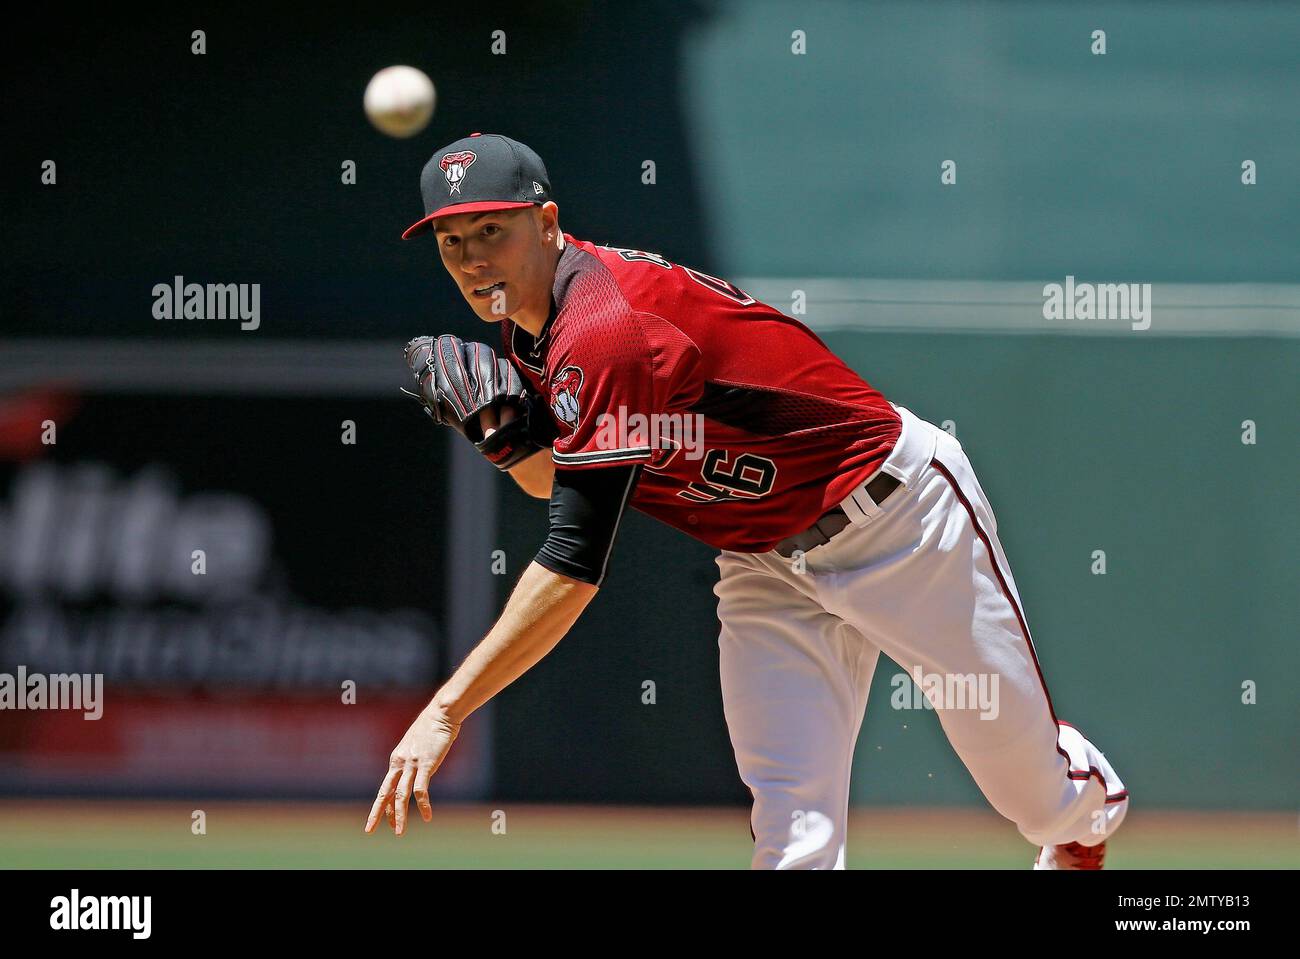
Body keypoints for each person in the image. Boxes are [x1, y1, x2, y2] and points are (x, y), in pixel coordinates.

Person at [363, 133, 1130, 870]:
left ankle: (1084, 822)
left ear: (546, 222)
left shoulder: (604, 328)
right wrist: (504, 441)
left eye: (491, 230)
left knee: (1032, 790)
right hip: (766, 562)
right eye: (451, 241)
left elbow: (574, 562)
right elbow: (552, 481)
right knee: (792, 826)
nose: (472, 258)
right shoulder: (532, 330)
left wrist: (446, 709)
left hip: (900, 520)